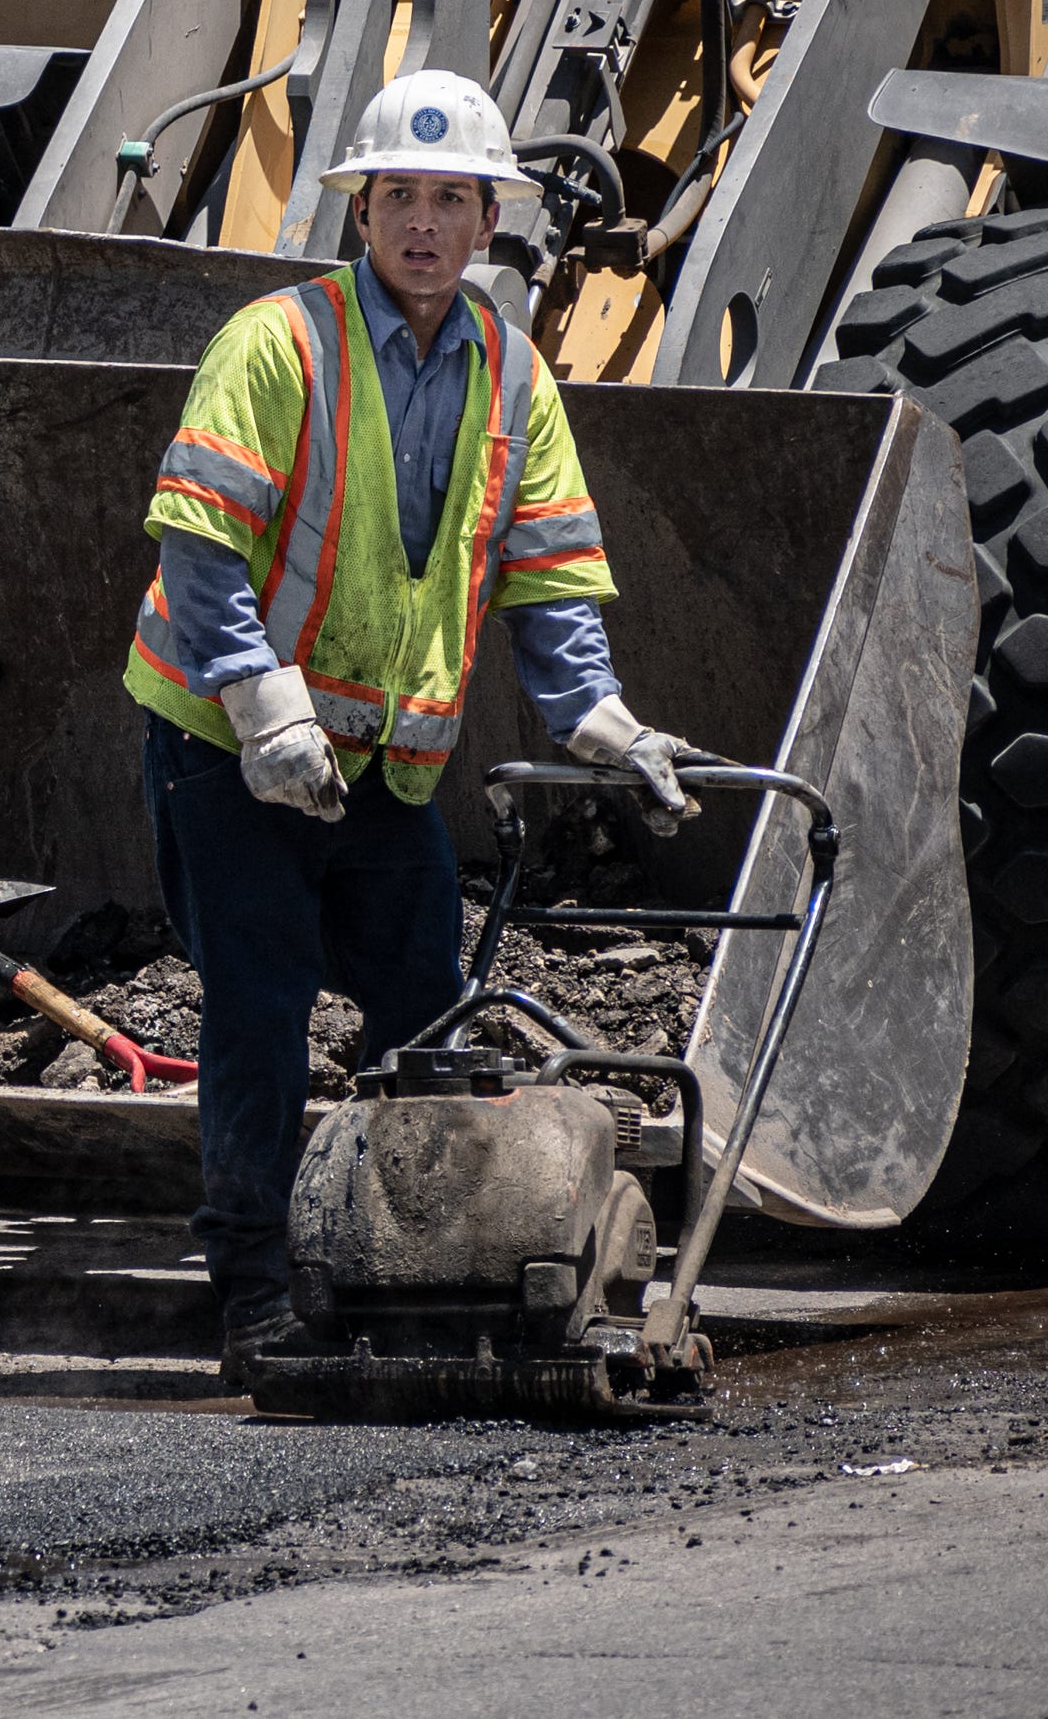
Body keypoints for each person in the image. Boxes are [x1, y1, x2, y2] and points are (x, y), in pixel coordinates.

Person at [122, 69, 697, 1389]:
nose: (424, 222)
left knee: (426, 1016)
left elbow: (548, 574)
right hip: (231, 750)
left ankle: (408, 1274)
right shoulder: (279, 345)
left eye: (451, 198)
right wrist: (263, 706)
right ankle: (257, 1291)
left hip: (382, 768)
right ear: (360, 210)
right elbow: (199, 547)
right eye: (400, 197)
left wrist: (602, 722)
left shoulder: (510, 369)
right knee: (260, 1014)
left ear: (489, 219)